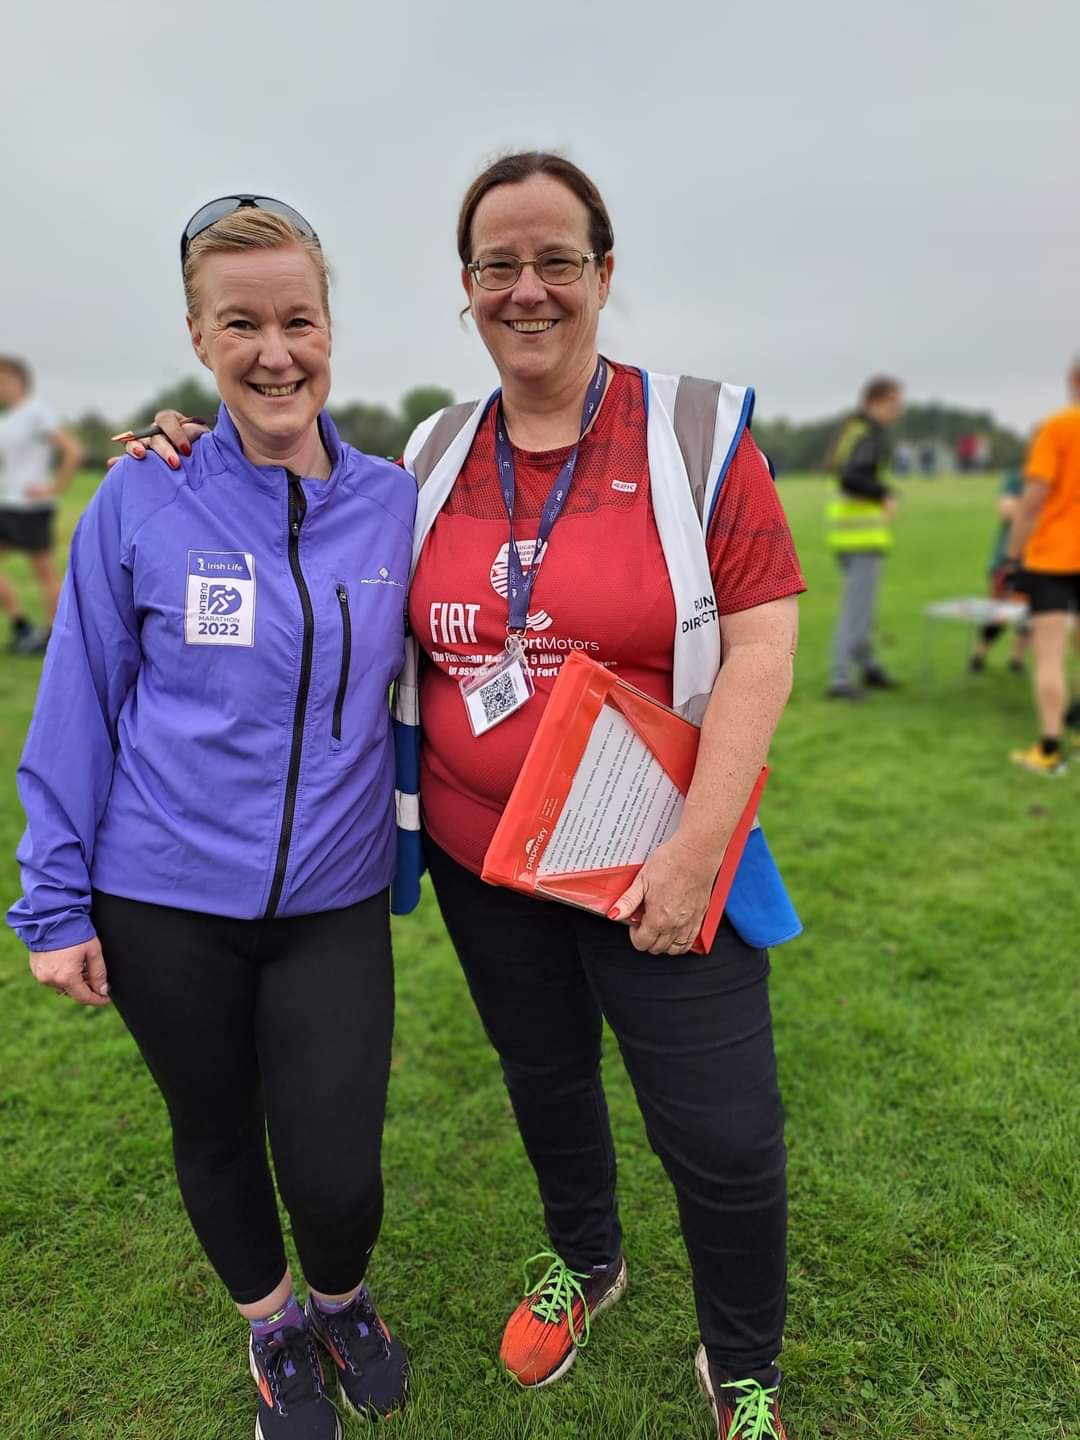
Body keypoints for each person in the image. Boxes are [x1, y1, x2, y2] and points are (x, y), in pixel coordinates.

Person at [126, 154, 806, 1440]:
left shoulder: (696, 435)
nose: (529, 288)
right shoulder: (432, 454)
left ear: (605, 274)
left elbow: (764, 649)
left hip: (662, 859)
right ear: (467, 290)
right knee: (547, 1085)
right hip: (491, 865)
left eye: (558, 260)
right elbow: (296, 487)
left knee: (721, 1136)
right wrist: (188, 446)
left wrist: (700, 842)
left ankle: (743, 1363)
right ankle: (586, 1260)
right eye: (499, 264)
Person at [8, 197, 414, 1440]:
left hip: (332, 902)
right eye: (242, 323)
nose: (275, 350)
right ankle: (277, 1329)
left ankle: (342, 1296)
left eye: (298, 319)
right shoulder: (143, 499)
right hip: (163, 897)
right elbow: (77, 701)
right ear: (199, 332)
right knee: (217, 1133)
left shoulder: (397, 502)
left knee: (337, 1166)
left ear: (332, 328)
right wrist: (54, 900)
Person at [999, 356, 1080, 775]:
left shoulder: (1059, 427)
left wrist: (1012, 555)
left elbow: (1034, 499)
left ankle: (1050, 748)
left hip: (1054, 556)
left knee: (1048, 653)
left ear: (1072, 380)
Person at [824, 375, 904, 699]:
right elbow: (852, 478)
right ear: (876, 402)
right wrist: (885, 492)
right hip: (860, 536)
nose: (897, 412)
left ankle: (868, 665)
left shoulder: (854, 431)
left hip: (848, 535)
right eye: (894, 405)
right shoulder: (866, 436)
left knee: (862, 609)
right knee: (855, 610)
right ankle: (840, 678)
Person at [0, 355, 83, 655]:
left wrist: (53, 488)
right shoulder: (7, 418)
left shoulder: (37, 413)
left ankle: (54, 636)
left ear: (18, 381)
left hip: (32, 508)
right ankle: (22, 626)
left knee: (43, 572)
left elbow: (73, 451)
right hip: (9, 505)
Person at [968, 466, 1031, 674]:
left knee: (1033, 614)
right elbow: (1006, 512)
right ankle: (978, 656)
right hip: (1008, 561)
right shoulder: (1016, 478)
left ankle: (1016, 660)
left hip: (1041, 561)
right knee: (1000, 613)